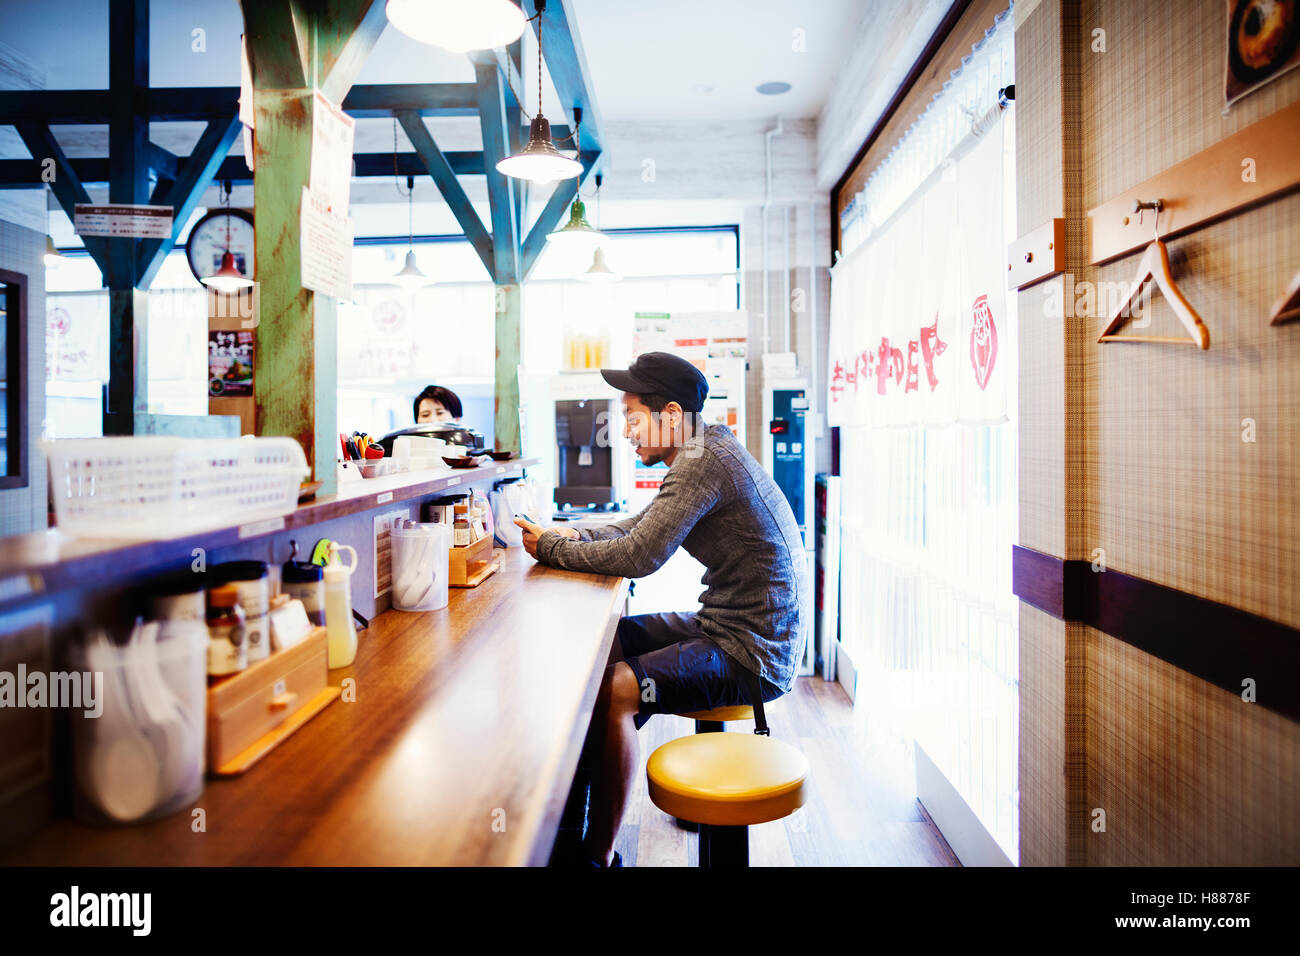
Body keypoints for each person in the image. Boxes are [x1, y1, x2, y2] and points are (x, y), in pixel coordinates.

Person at [514, 351, 807, 868]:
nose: (624, 431)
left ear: (671, 415)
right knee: (613, 646)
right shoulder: (704, 451)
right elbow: (635, 526)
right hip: (727, 626)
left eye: (630, 416)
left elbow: (638, 556)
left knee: (619, 688)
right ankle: (571, 818)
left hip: (753, 651)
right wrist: (571, 533)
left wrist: (552, 548)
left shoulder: (701, 462)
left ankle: (596, 857)